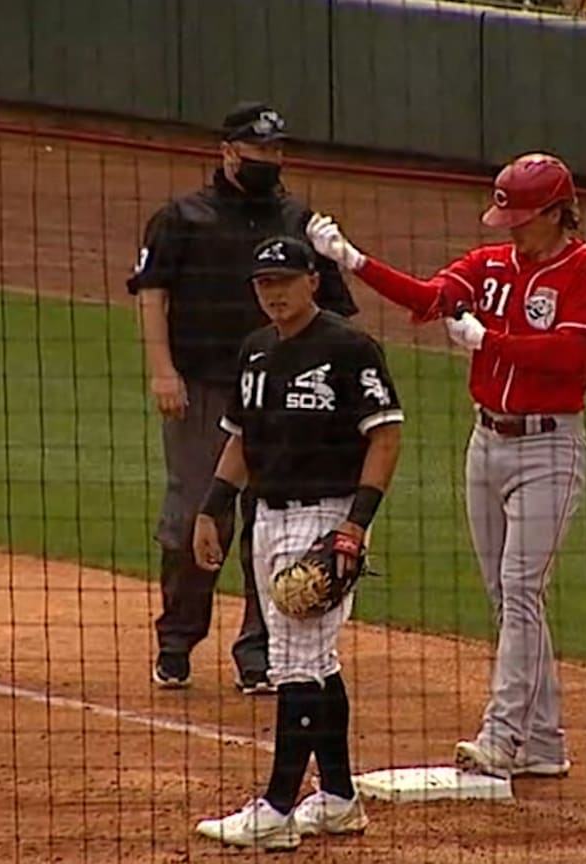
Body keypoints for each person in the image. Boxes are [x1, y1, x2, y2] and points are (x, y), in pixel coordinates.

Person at [303, 152, 586, 779]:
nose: (509, 227)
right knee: (506, 597)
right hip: (486, 443)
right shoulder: (490, 263)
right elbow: (428, 299)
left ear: (557, 212)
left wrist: (489, 342)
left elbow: (572, 358)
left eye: (521, 217)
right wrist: (353, 260)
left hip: (549, 447)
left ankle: (501, 737)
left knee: (523, 591)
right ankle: (547, 742)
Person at [126, 101, 358, 693]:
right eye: (258, 151)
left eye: (276, 151)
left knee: (272, 522)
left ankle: (260, 651)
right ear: (227, 152)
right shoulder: (182, 217)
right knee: (195, 516)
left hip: (281, 400)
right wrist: (162, 370)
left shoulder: (297, 219)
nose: (268, 161)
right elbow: (151, 292)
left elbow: (333, 308)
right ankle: (177, 641)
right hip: (202, 387)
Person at [191, 235, 403, 850]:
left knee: (295, 666)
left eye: (284, 280)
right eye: (264, 284)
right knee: (315, 662)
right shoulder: (255, 351)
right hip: (266, 519)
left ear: (313, 279)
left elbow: (385, 436)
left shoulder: (348, 348)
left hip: (325, 519)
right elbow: (240, 439)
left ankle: (278, 809)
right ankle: (337, 800)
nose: (274, 293)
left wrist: (356, 525)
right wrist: (212, 509)